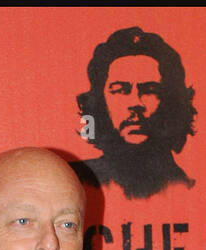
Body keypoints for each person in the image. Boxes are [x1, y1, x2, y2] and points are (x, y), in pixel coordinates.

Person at [72, 26, 196, 200]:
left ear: (172, 102)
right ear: (99, 101)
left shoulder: (186, 187)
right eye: (120, 90)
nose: (135, 103)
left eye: (150, 90)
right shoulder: (75, 182)